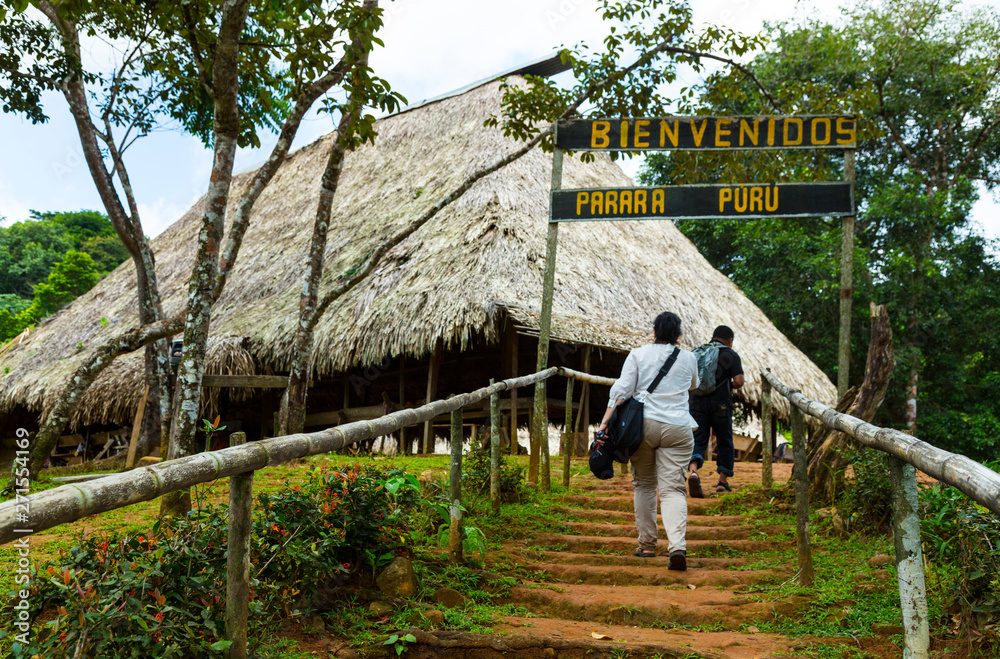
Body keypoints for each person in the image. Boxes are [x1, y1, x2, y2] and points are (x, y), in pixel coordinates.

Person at [597, 312, 699, 571]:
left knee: (643, 484)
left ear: (654, 332)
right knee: (673, 489)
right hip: (678, 426)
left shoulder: (638, 354)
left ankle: (646, 545)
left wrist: (604, 423)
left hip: (642, 426)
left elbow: (621, 391)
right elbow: (693, 384)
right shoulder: (688, 357)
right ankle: (677, 546)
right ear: (678, 335)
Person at [687, 325, 745, 497]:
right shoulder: (730, 354)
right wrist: (727, 385)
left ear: (713, 337)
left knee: (697, 438)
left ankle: (693, 472)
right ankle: (722, 482)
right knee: (724, 440)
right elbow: (739, 381)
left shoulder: (696, 352)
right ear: (730, 340)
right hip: (720, 404)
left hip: (697, 403)